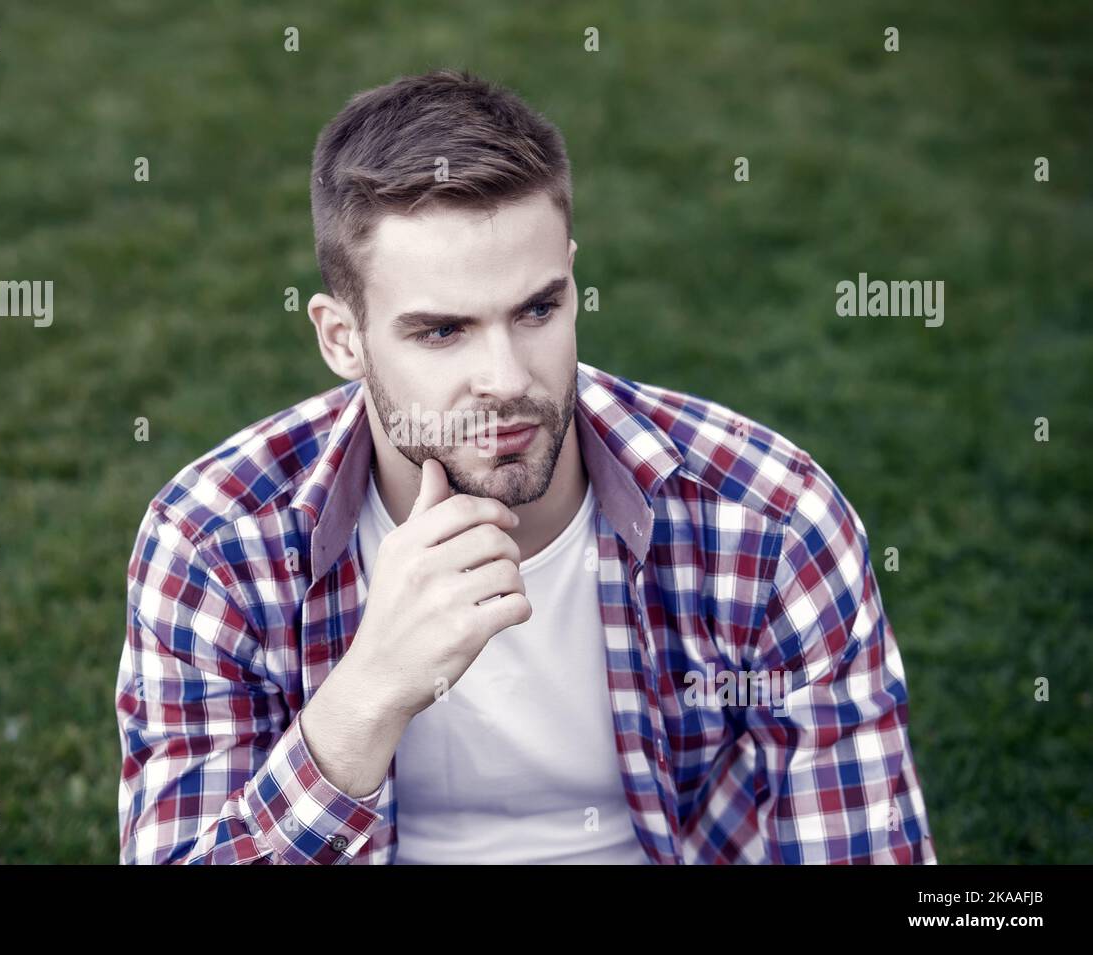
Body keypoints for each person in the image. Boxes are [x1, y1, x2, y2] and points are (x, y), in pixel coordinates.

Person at [116, 68, 936, 865]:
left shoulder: (770, 521)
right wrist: (367, 692)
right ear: (342, 338)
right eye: (443, 331)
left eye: (538, 309)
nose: (507, 380)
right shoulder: (215, 544)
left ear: (573, 280)